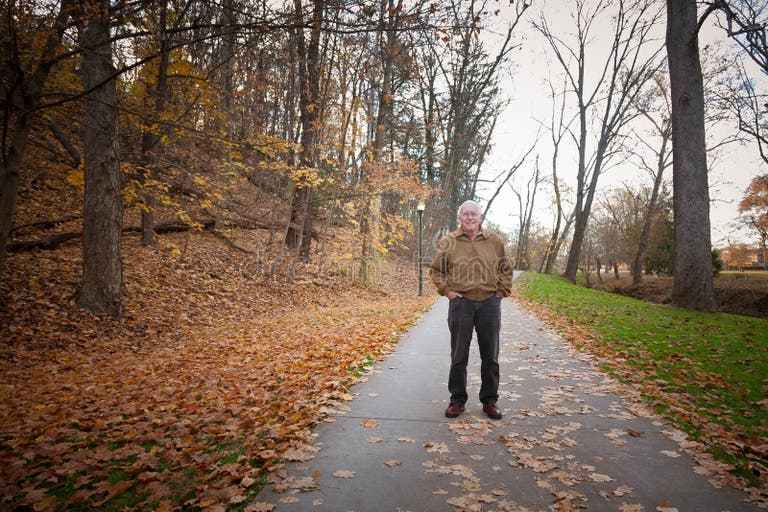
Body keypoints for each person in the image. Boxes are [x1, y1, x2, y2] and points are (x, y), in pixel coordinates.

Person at [429, 200, 514, 420]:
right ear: (460, 217)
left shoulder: (494, 241)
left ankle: (490, 401)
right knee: (459, 356)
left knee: (490, 356)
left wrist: (500, 292)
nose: (470, 217)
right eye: (465, 214)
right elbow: (437, 270)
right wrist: (447, 292)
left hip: (489, 304)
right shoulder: (449, 241)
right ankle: (457, 400)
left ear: (481, 217)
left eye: (473, 214)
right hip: (461, 304)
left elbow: (506, 268)